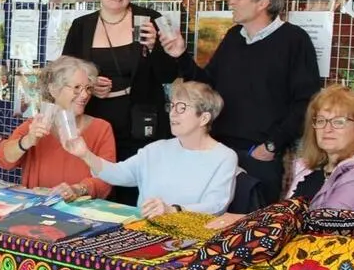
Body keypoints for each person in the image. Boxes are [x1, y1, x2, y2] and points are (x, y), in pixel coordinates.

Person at [159, 0, 320, 203]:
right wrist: (181, 56)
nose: (231, 1)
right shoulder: (234, 36)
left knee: (252, 230)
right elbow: (208, 87)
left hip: (259, 156)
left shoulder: (294, 40)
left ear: (262, 3)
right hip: (218, 151)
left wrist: (272, 145)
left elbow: (306, 101)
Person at [62, 0, 178, 205]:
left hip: (139, 121)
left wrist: (155, 47)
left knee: (134, 187)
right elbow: (67, 73)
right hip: (96, 119)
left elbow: (169, 73)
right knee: (95, 183)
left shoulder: (150, 21)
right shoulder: (82, 26)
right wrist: (90, 86)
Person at [65, 79, 238, 217]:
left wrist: (172, 210)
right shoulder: (156, 149)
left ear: (204, 118)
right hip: (145, 231)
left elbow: (216, 205)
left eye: (182, 107)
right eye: (171, 106)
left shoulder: (224, 156)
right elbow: (118, 174)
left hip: (192, 238)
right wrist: (85, 154)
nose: (172, 113)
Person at [0, 55, 116, 199]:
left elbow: (108, 179)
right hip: (38, 212)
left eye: (88, 88)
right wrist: (27, 141)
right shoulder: (35, 126)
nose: (84, 95)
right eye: (77, 88)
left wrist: (78, 189)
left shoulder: (101, 129)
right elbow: (3, 160)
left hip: (81, 214)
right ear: (53, 90)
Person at [287, 85, 354, 215]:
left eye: (339, 122)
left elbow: (329, 228)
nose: (327, 129)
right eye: (321, 121)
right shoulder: (314, 170)